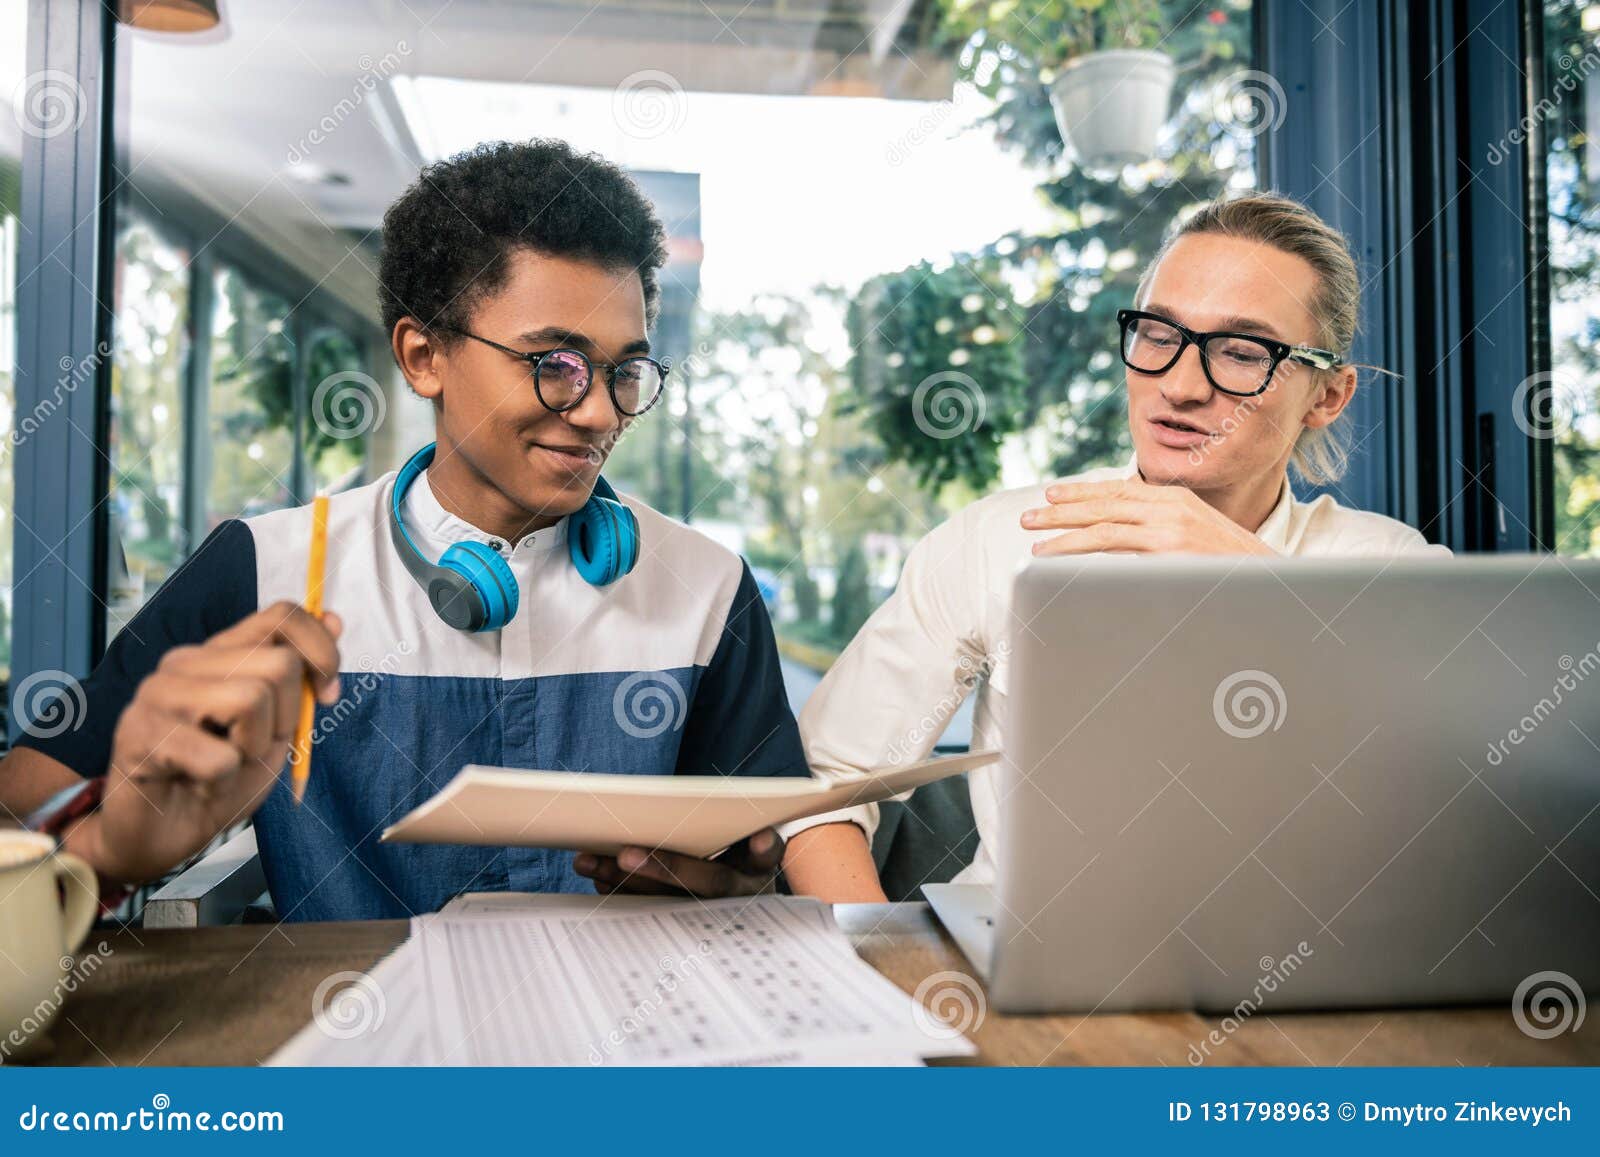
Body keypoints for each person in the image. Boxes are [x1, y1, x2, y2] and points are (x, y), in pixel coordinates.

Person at [0, 139, 881, 919]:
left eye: (626, 370)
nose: (596, 413)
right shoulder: (268, 570)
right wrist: (117, 831)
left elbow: (757, 863)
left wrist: (729, 886)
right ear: (423, 355)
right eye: (555, 366)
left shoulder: (707, 587)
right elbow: (20, 807)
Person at [802, 192, 1451, 890]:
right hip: (1014, 977)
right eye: (1159, 335)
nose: (1178, 385)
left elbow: (1463, 800)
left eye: (1240, 351)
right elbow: (830, 784)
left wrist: (1263, 588)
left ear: (1327, 396)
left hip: (1299, 981)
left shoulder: (1395, 575)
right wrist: (870, 981)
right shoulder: (1002, 541)